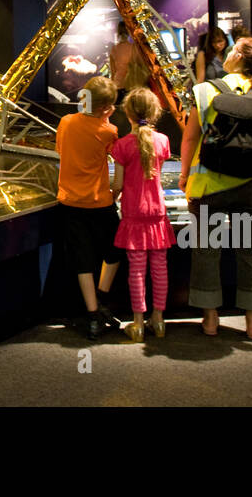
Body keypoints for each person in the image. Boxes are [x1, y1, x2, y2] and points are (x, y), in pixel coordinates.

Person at [180, 37, 252, 340]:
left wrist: (184, 176)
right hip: (250, 187)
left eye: (232, 50)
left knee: (206, 252)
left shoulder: (204, 91)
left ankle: (210, 320)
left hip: (209, 187)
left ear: (240, 56)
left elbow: (191, 139)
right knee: (251, 251)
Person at [55, 75, 123, 339]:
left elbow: (62, 150)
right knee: (114, 251)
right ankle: (103, 299)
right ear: (107, 108)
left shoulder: (66, 122)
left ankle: (92, 313)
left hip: (71, 202)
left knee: (82, 258)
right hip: (101, 202)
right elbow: (115, 160)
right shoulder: (110, 131)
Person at [110, 88, 174, 341]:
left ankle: (137, 323)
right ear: (155, 112)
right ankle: (158, 320)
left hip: (133, 212)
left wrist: (109, 199)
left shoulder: (122, 145)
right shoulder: (163, 141)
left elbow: (118, 185)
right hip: (157, 212)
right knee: (160, 267)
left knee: (136, 269)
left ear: (127, 113)